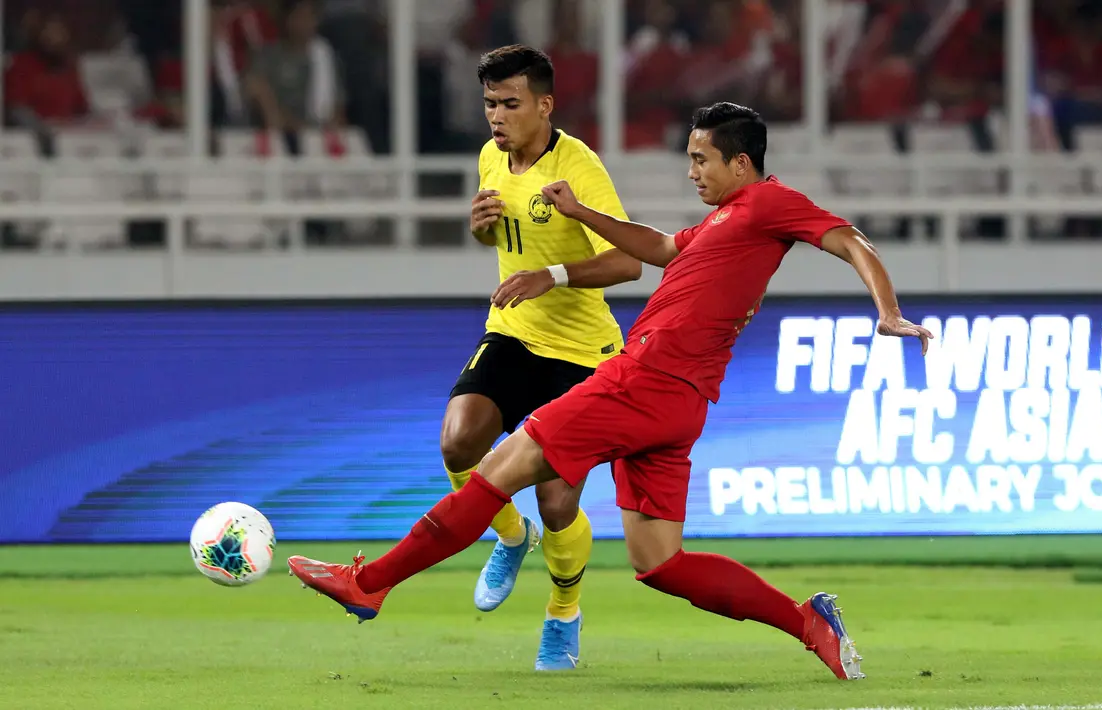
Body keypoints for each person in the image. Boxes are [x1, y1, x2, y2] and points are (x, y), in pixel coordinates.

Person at [288, 102, 934, 681]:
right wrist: (580, 213)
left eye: (701, 159)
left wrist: (888, 312)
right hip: (679, 402)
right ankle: (807, 622)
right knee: (661, 562)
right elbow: (662, 247)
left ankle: (370, 583)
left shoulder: (769, 203)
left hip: (643, 380)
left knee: (494, 472)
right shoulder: (725, 221)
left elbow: (850, 240)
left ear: (741, 163)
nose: (691, 172)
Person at [445, 45, 641, 670]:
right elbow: (499, 234)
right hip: (513, 332)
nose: (496, 116)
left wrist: (550, 275)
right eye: (489, 104)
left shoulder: (577, 164)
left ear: (545, 105)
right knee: (458, 444)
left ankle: (563, 612)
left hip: (582, 353)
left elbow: (628, 262)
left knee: (558, 504)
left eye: (510, 103)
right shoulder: (490, 156)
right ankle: (511, 534)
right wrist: (480, 228)